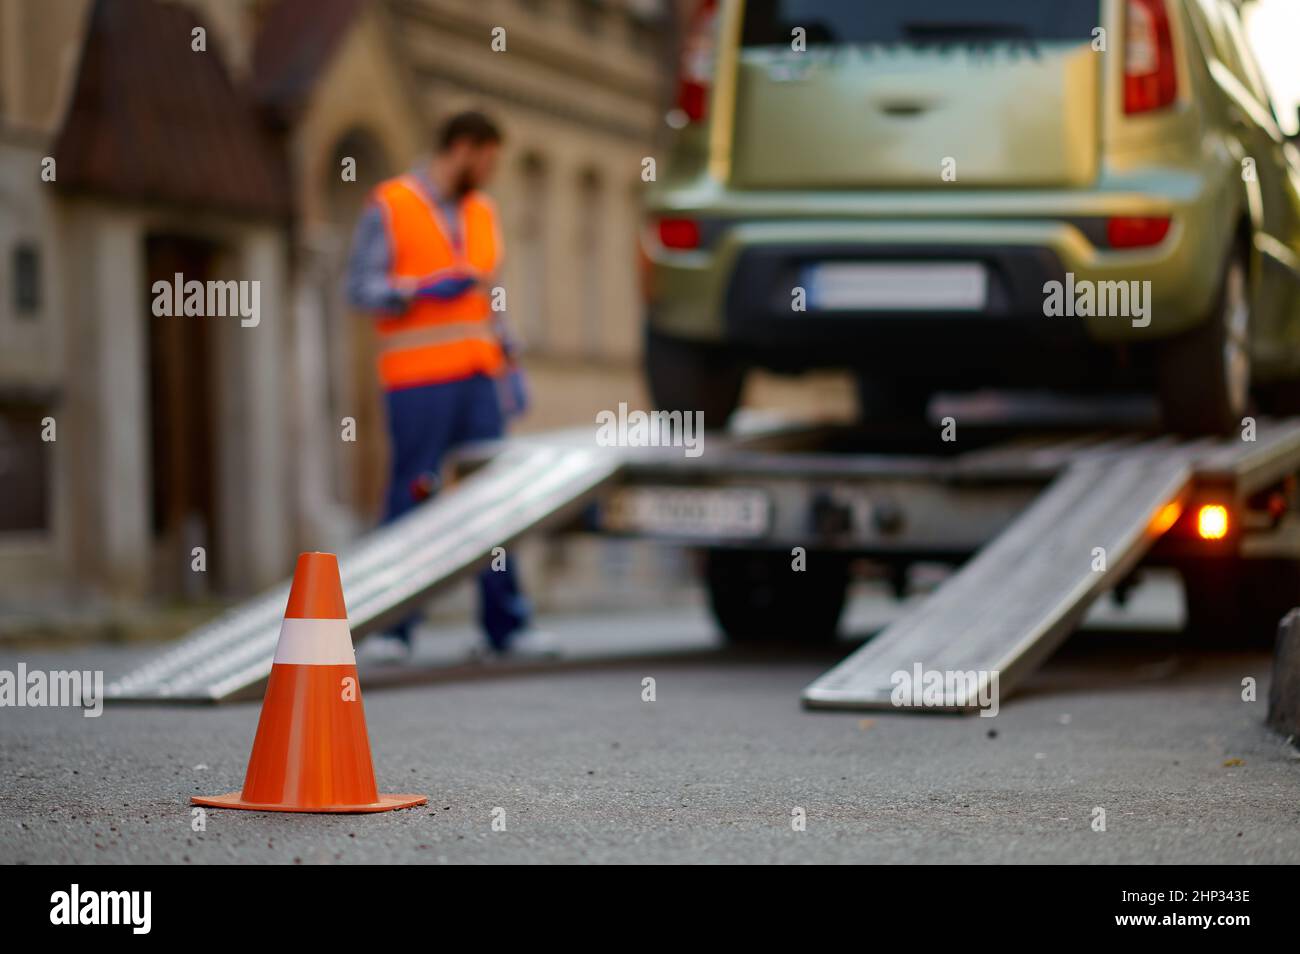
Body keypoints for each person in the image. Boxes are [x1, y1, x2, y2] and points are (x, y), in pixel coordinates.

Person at [345, 110, 551, 661]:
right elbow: (359, 287)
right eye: (486, 160)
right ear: (462, 148)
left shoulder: (482, 211)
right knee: (414, 494)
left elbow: (488, 297)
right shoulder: (390, 205)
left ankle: (505, 627)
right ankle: (391, 628)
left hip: (479, 377)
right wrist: (415, 289)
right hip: (418, 381)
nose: (489, 172)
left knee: (494, 500)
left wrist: (509, 360)